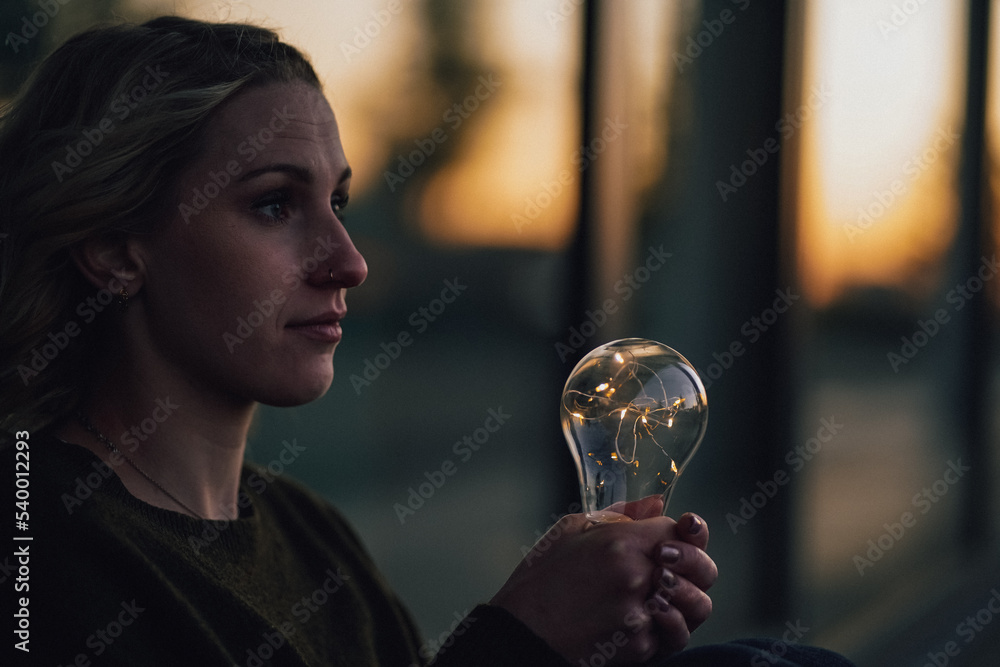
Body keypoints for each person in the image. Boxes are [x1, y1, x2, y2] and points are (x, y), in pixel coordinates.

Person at [0, 16, 853, 667]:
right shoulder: (37, 542)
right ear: (115, 248)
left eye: (337, 201)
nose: (348, 261)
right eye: (272, 204)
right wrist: (522, 636)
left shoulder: (309, 535)